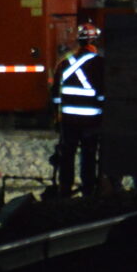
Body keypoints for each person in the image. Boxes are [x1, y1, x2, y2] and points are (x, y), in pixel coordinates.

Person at [52, 22, 106, 197]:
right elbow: (104, 92)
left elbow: (55, 95)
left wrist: (57, 114)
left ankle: (64, 189)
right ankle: (88, 190)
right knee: (89, 155)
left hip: (68, 120)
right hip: (91, 120)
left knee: (67, 155)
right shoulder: (100, 64)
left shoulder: (65, 63)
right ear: (95, 41)